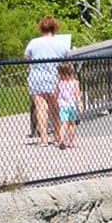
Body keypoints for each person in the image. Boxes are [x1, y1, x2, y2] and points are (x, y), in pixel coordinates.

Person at [25, 15, 69, 148]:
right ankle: (58, 135)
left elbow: (27, 57)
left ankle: (43, 138)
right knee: (55, 108)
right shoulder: (61, 44)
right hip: (54, 78)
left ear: (41, 28)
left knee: (41, 108)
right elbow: (66, 57)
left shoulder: (34, 42)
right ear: (55, 27)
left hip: (37, 76)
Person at [55, 62, 81, 149]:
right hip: (72, 105)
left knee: (64, 123)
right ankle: (71, 142)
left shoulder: (59, 83)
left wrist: (56, 103)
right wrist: (80, 104)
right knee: (72, 124)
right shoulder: (75, 82)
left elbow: (56, 94)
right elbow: (77, 94)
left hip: (62, 106)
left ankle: (61, 140)